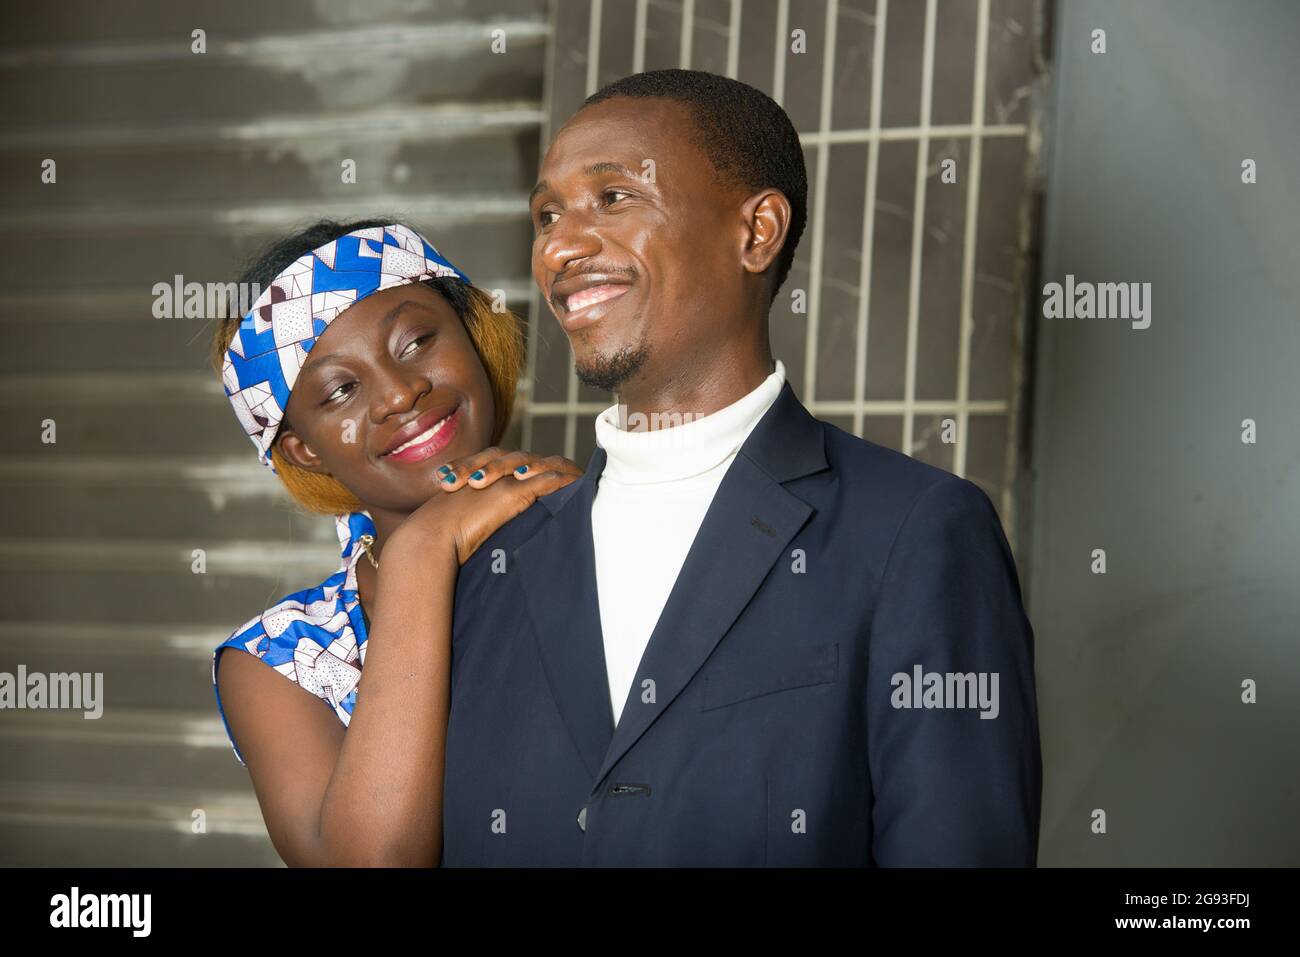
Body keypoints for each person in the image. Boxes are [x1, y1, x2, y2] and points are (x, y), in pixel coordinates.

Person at [440, 70, 1044, 866]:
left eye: (614, 198)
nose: (560, 245)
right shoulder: (491, 557)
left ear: (757, 231)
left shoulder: (915, 532)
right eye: (547, 214)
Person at [209, 219, 581, 866]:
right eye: (342, 390)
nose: (400, 392)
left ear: (470, 333)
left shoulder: (603, 521)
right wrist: (421, 552)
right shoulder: (284, 659)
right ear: (304, 449)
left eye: (415, 342)